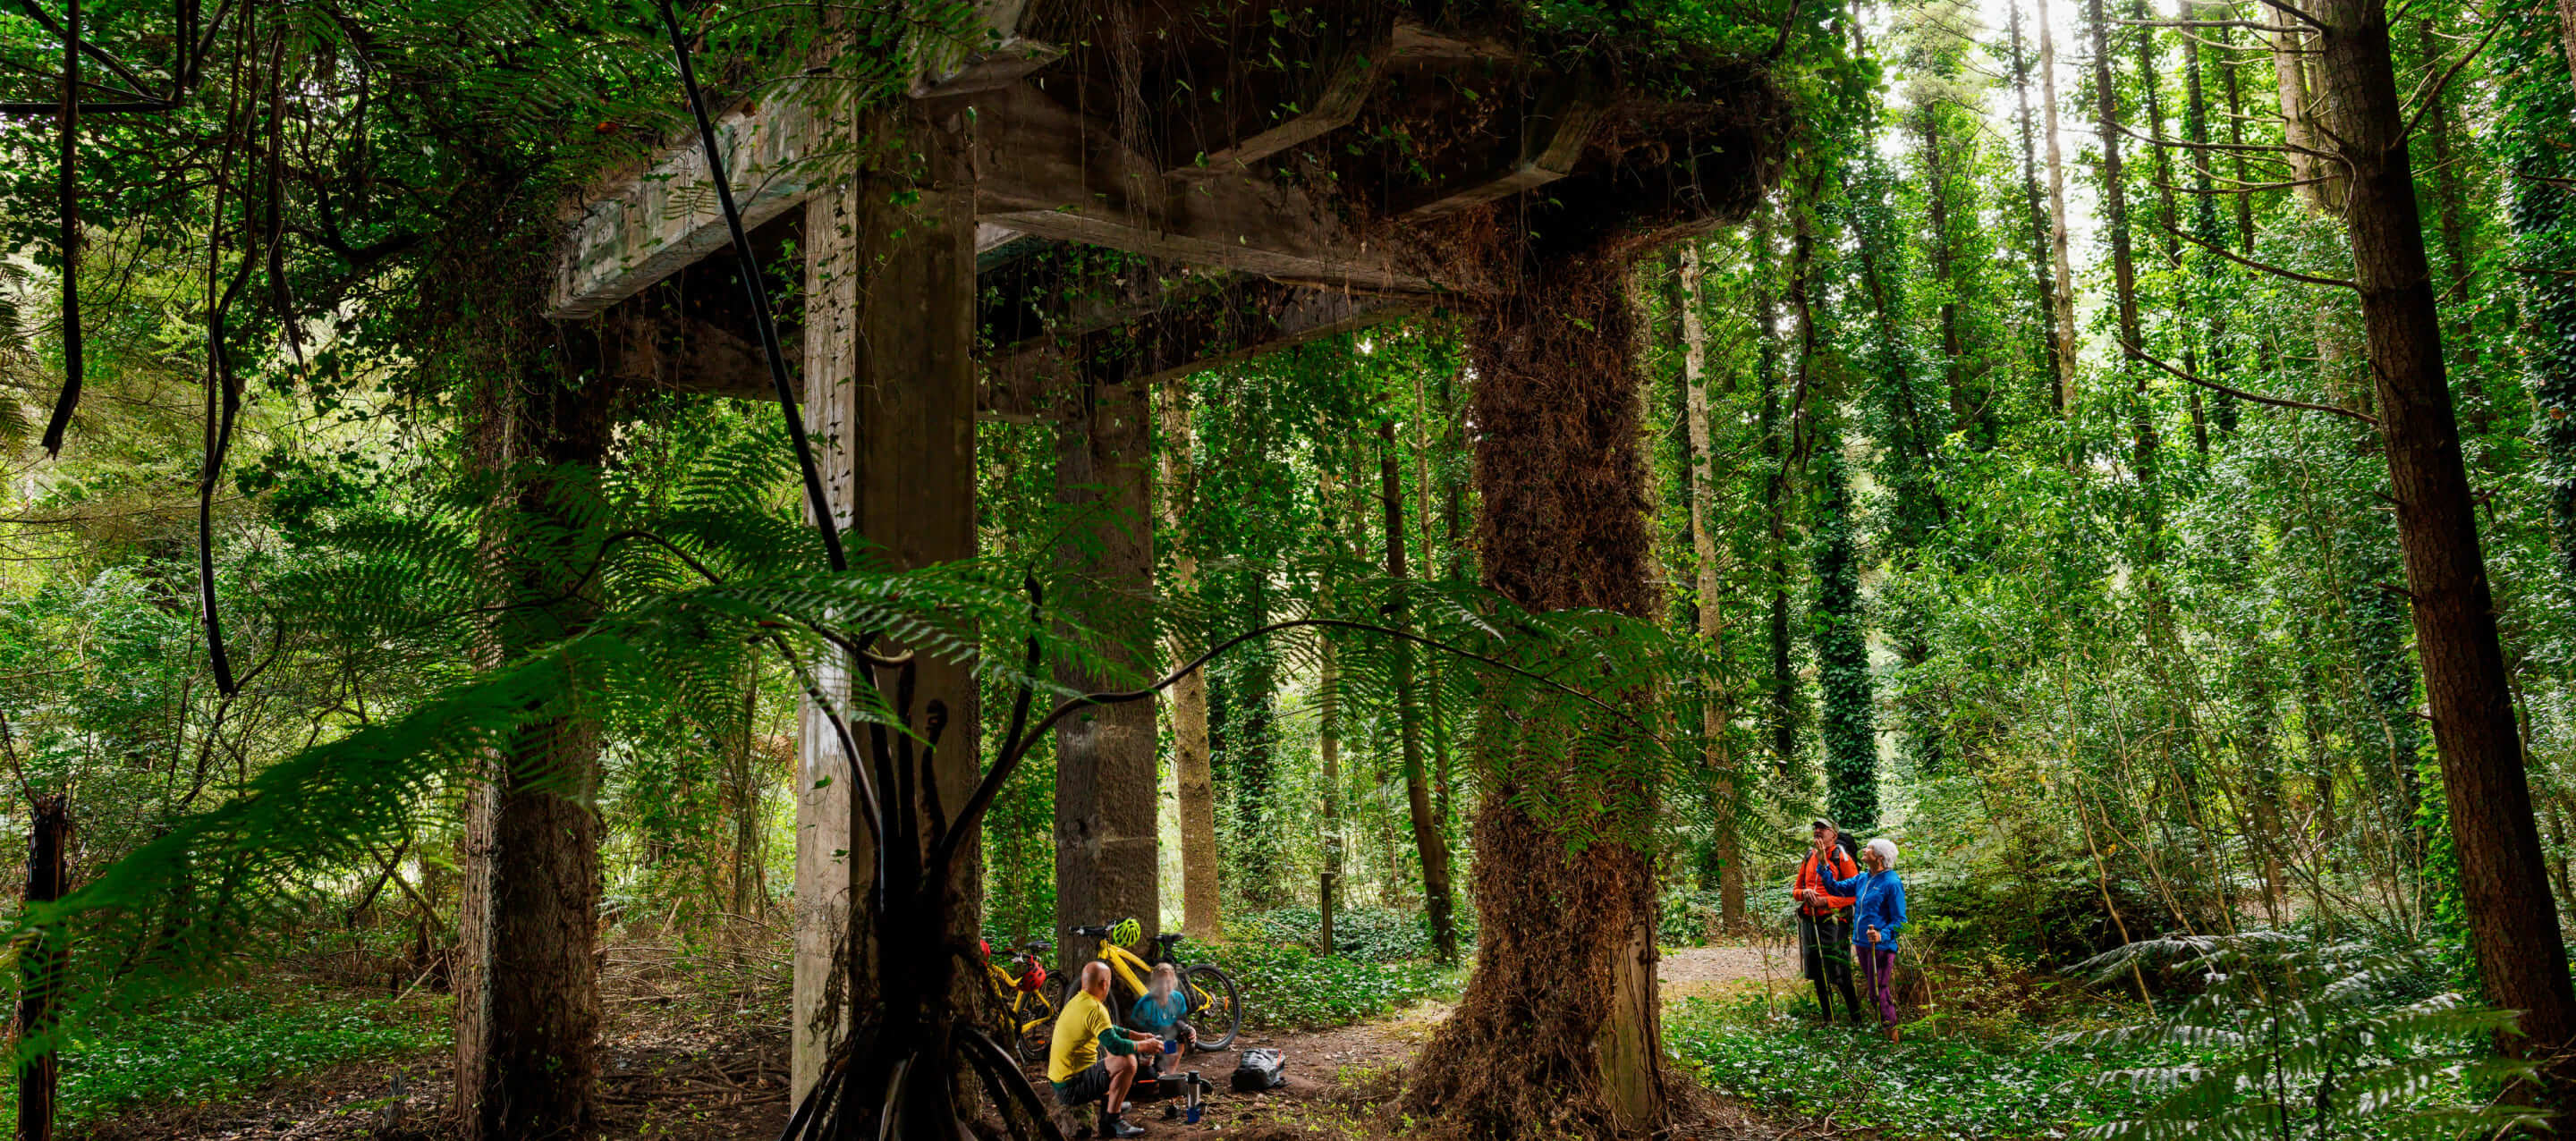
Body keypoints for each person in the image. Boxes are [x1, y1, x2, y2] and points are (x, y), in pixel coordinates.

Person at [1049, 960, 1166, 1137]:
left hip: (1062, 1081)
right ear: (1104, 984)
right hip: (1071, 1087)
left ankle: (1111, 1103)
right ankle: (1112, 1120)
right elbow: (1115, 1045)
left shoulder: (1079, 1001)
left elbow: (1110, 1029)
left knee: (1106, 1059)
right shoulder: (1095, 1008)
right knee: (1126, 1061)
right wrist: (1145, 1045)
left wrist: (1139, 1036)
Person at [1822, 837, 1909, 1041]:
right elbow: (1835, 888)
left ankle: (1892, 1039)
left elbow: (1900, 920)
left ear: (1879, 857)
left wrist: (1881, 935)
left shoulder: (1892, 882)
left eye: (1869, 849)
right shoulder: (1863, 878)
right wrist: (1822, 864)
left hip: (1881, 947)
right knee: (1874, 993)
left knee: (1880, 991)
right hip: (1861, 944)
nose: (1864, 849)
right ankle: (1883, 1034)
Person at [1791, 817, 1863, 1025]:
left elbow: (1853, 894)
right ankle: (1828, 1020)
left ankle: (1856, 1019)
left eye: (1823, 828)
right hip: (1809, 919)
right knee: (1817, 972)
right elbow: (1795, 891)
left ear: (1834, 834)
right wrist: (1804, 893)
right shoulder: (1809, 856)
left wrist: (1825, 901)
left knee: (1839, 972)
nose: (1818, 831)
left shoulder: (1842, 857)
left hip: (1834, 920)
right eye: (1816, 828)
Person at [1129, 963, 1196, 1075]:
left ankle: (1170, 1073)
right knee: (1151, 1078)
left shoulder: (1178, 998)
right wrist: (1143, 1056)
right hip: (1149, 1046)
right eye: (1161, 982)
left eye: (1169, 982)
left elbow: (1183, 1023)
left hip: (1167, 1043)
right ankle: (1156, 1072)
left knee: (1182, 1031)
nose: (1166, 986)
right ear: (1154, 983)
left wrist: (1191, 1031)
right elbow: (1134, 1036)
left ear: (1174, 981)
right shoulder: (1145, 1004)